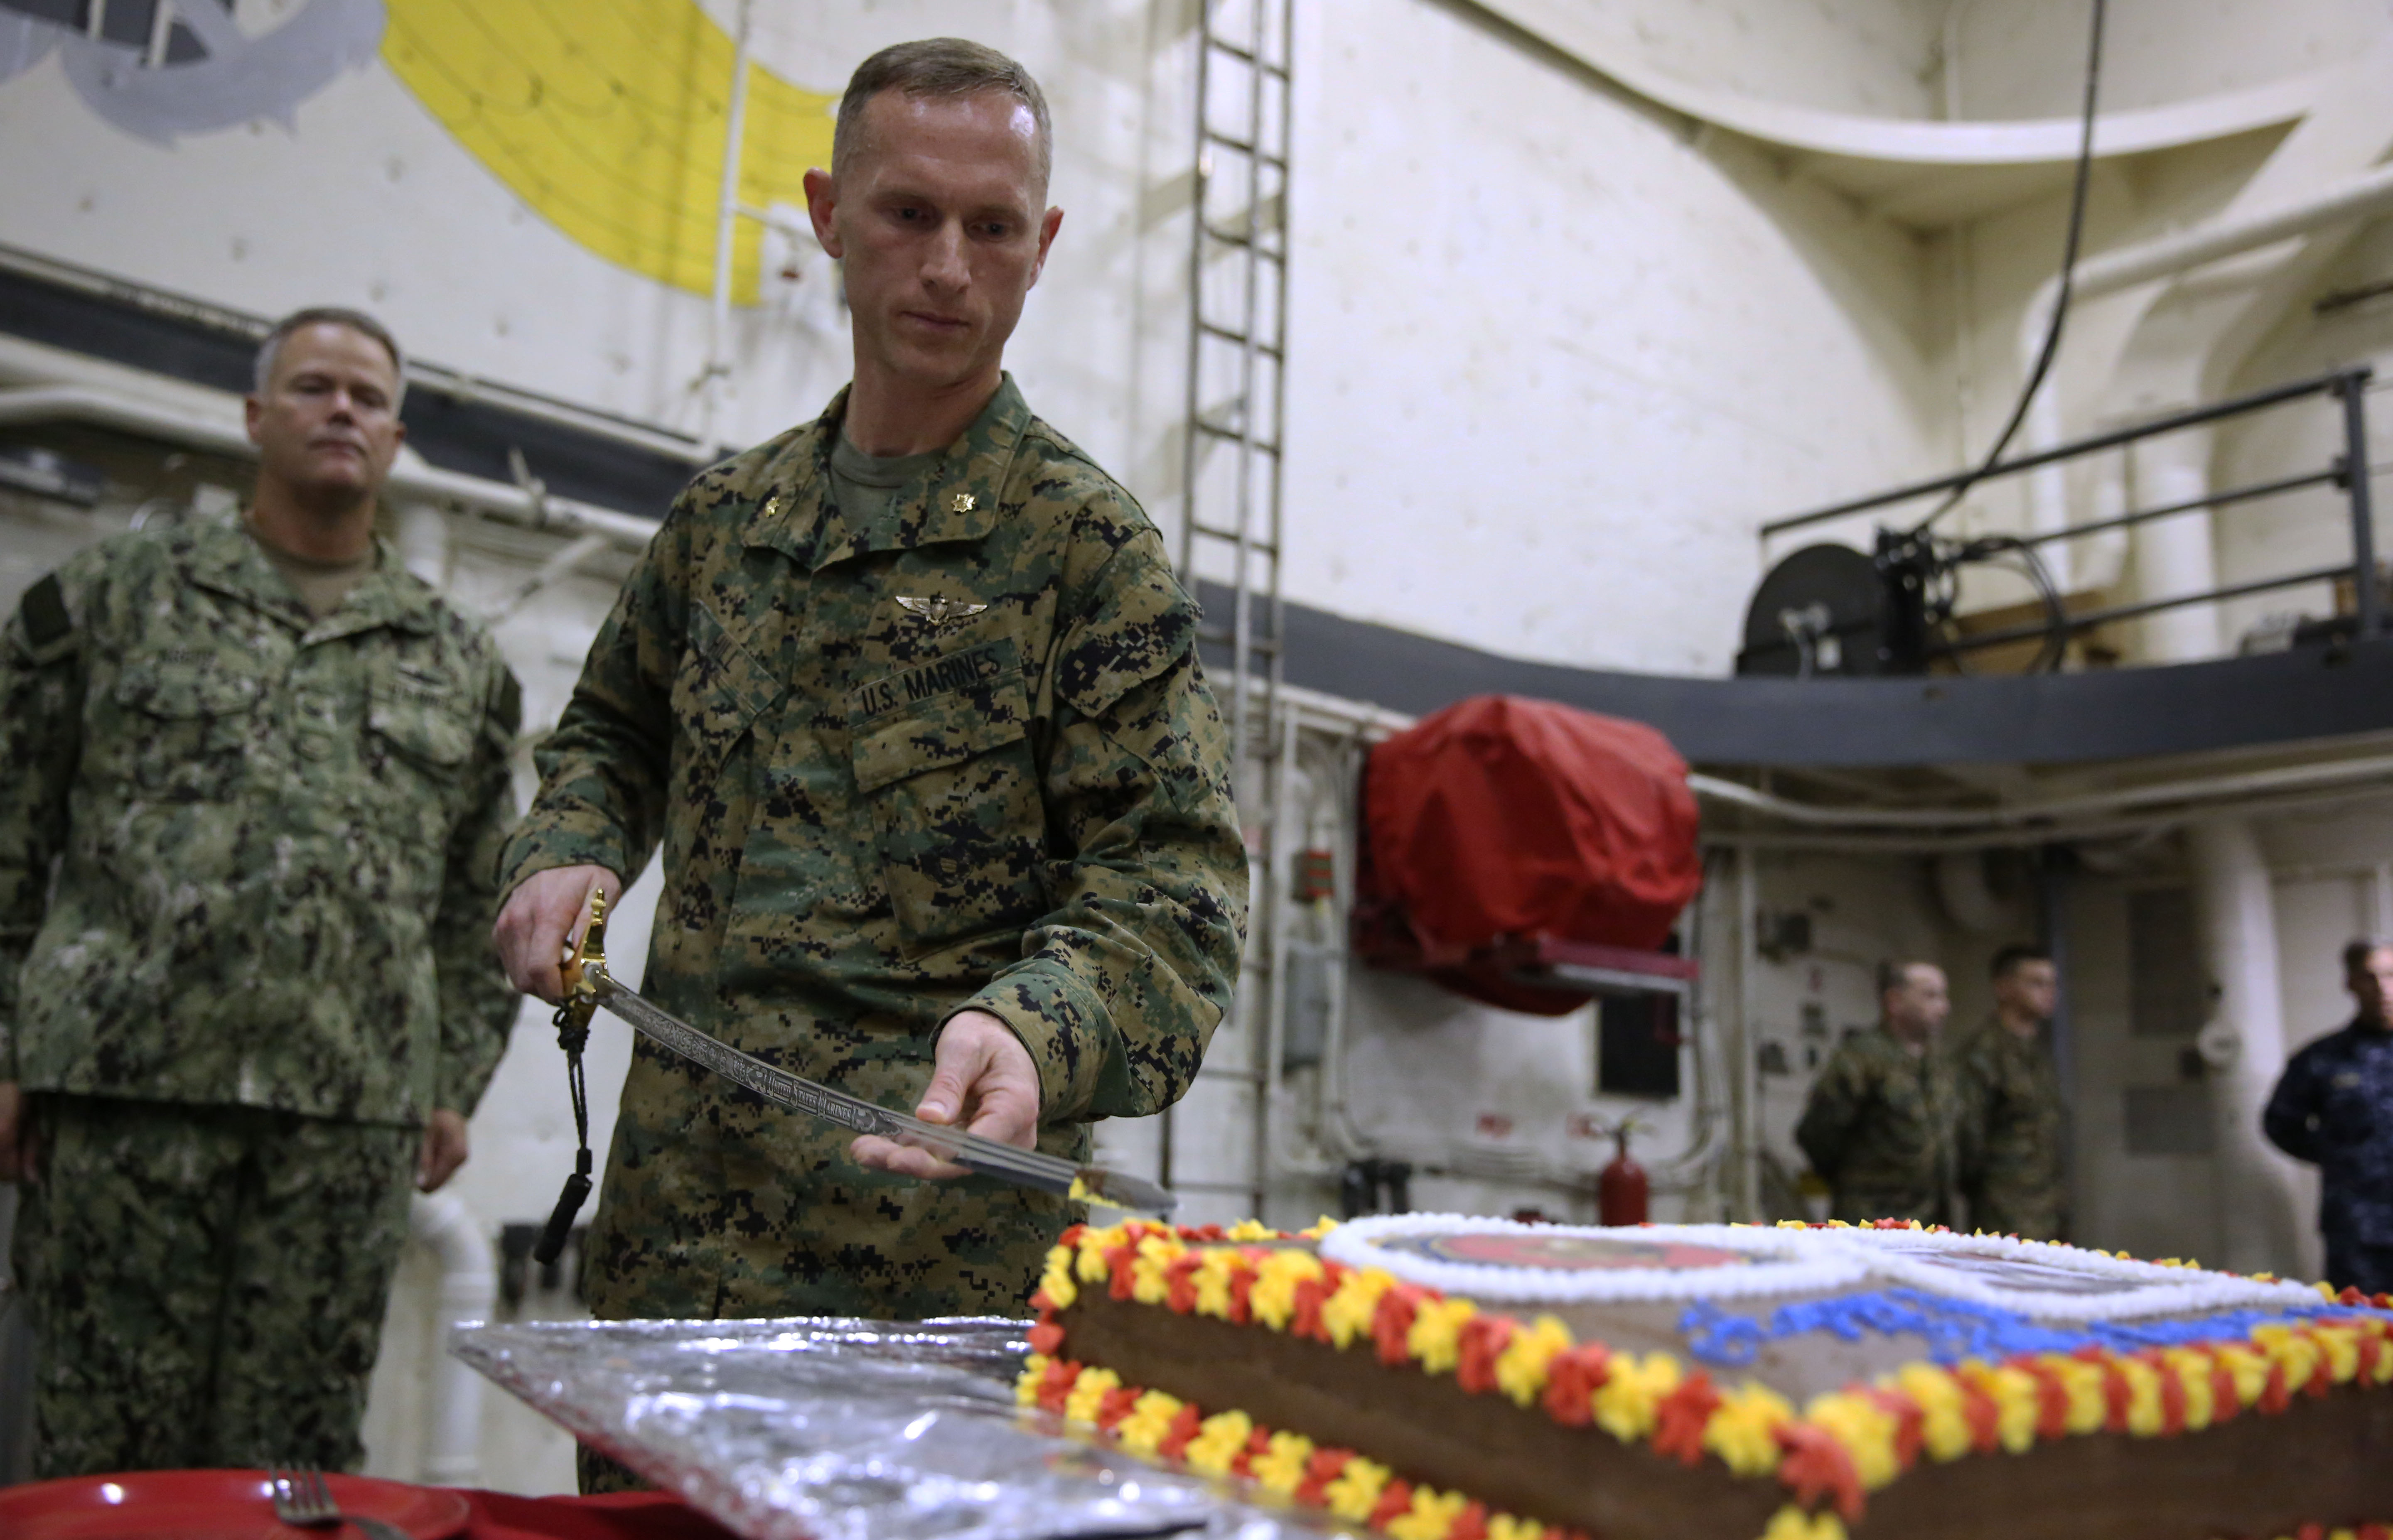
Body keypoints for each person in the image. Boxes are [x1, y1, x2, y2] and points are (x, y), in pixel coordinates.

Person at [489, 38, 1247, 1485]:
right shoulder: (724, 525)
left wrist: (1039, 1025)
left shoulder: (1086, 554)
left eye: (993, 226)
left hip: (929, 1298)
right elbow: (610, 734)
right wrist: (572, 843)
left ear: (1045, 246)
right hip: (680, 1265)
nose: (950, 264)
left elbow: (1176, 886)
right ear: (830, 213)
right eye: (909, 214)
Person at [0, 307, 522, 1475]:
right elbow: (10, 826)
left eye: (369, 397)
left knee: (294, 1466)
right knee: (101, 1454)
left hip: (342, 1121)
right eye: (313, 387)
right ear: (254, 417)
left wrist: (451, 1080)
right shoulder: (111, 599)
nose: (343, 410)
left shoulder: (456, 659)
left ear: (393, 439)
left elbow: (480, 894)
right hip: (127, 1095)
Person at [2263, 939, 2393, 1298]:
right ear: (2350, 983)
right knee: (2360, 1331)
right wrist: (2342, 1157)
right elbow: (2280, 1123)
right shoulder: (2323, 1059)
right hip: (2358, 1230)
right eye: (2370, 977)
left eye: (2391, 975)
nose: (2383, 988)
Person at [1796, 960, 1960, 1225]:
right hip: (1871, 1216)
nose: (1944, 1007)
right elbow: (1818, 1133)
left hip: (1929, 1217)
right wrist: (1855, 1181)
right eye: (1931, 996)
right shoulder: (1861, 1058)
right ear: (1894, 1001)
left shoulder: (1940, 1063)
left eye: (1944, 996)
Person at [1950, 943, 2068, 1239]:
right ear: (2004, 988)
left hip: (2050, 1205)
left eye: (2053, 983)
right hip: (2005, 1212)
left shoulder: (2038, 1054)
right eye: (2037, 983)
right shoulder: (1983, 1054)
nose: (2050, 992)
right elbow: (1968, 1141)